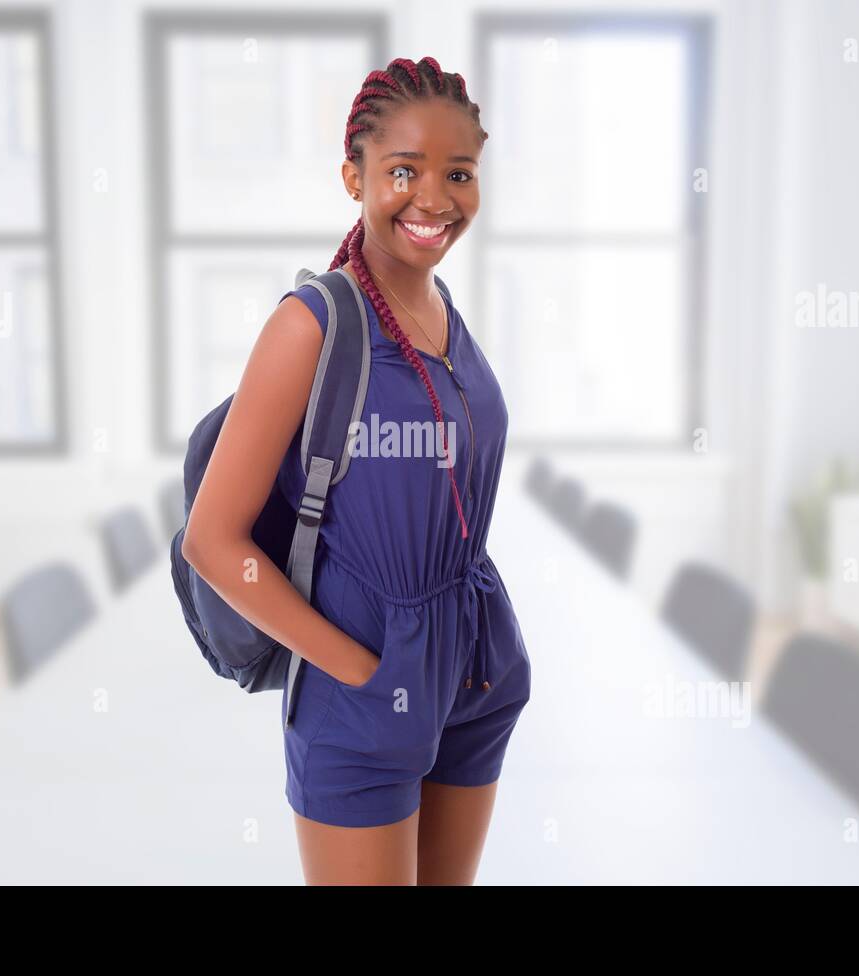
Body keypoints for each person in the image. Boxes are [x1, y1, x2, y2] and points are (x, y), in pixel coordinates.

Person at [181, 56, 531, 884]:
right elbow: (210, 539)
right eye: (402, 171)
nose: (434, 199)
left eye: (459, 174)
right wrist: (362, 673)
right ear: (354, 176)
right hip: (363, 689)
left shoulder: (443, 310)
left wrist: (480, 652)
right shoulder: (312, 326)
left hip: (475, 673)